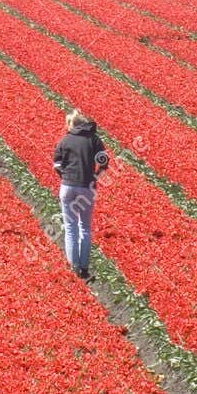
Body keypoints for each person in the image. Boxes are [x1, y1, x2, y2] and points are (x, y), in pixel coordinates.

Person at [52, 108, 110, 279]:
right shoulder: (94, 140)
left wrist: (66, 178)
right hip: (86, 187)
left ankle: (73, 268)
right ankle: (84, 268)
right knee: (84, 227)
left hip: (67, 187)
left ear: (71, 125)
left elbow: (57, 165)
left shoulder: (64, 141)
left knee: (70, 228)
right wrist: (95, 177)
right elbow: (104, 162)